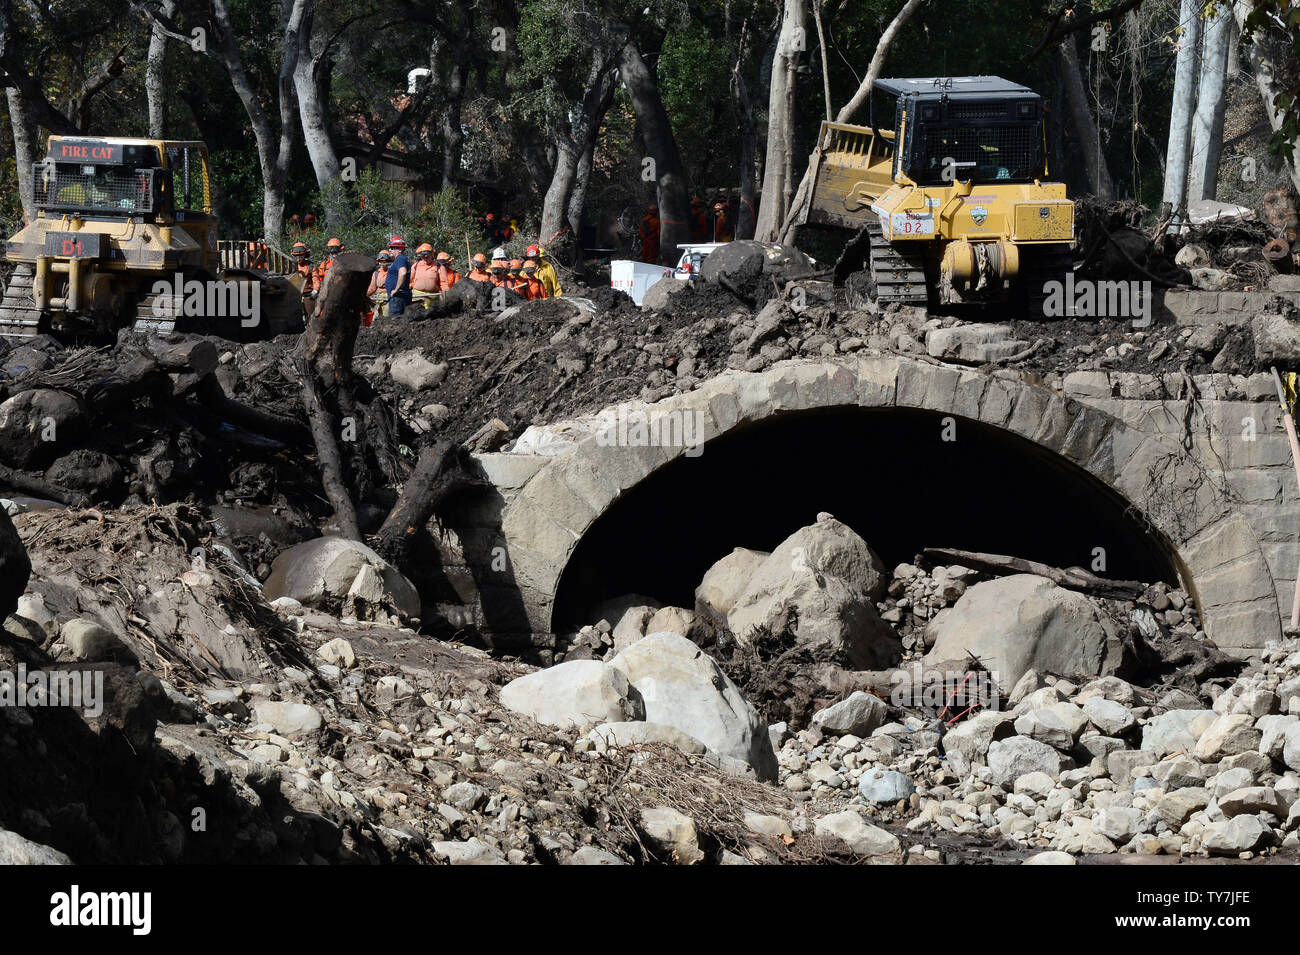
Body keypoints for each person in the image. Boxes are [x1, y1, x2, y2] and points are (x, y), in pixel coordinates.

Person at [385, 235, 412, 316]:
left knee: (395, 322)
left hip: (398, 297)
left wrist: (396, 289)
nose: (390, 250)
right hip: (400, 296)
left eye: (392, 248)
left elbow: (403, 272)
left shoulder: (400, 259)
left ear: (400, 249)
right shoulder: (402, 259)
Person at [368, 250, 392, 318]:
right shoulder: (376, 273)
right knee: (375, 318)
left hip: (388, 299)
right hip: (378, 299)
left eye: (384, 261)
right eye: (381, 261)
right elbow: (372, 288)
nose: (382, 263)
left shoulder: (392, 272)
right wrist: (365, 294)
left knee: (387, 317)